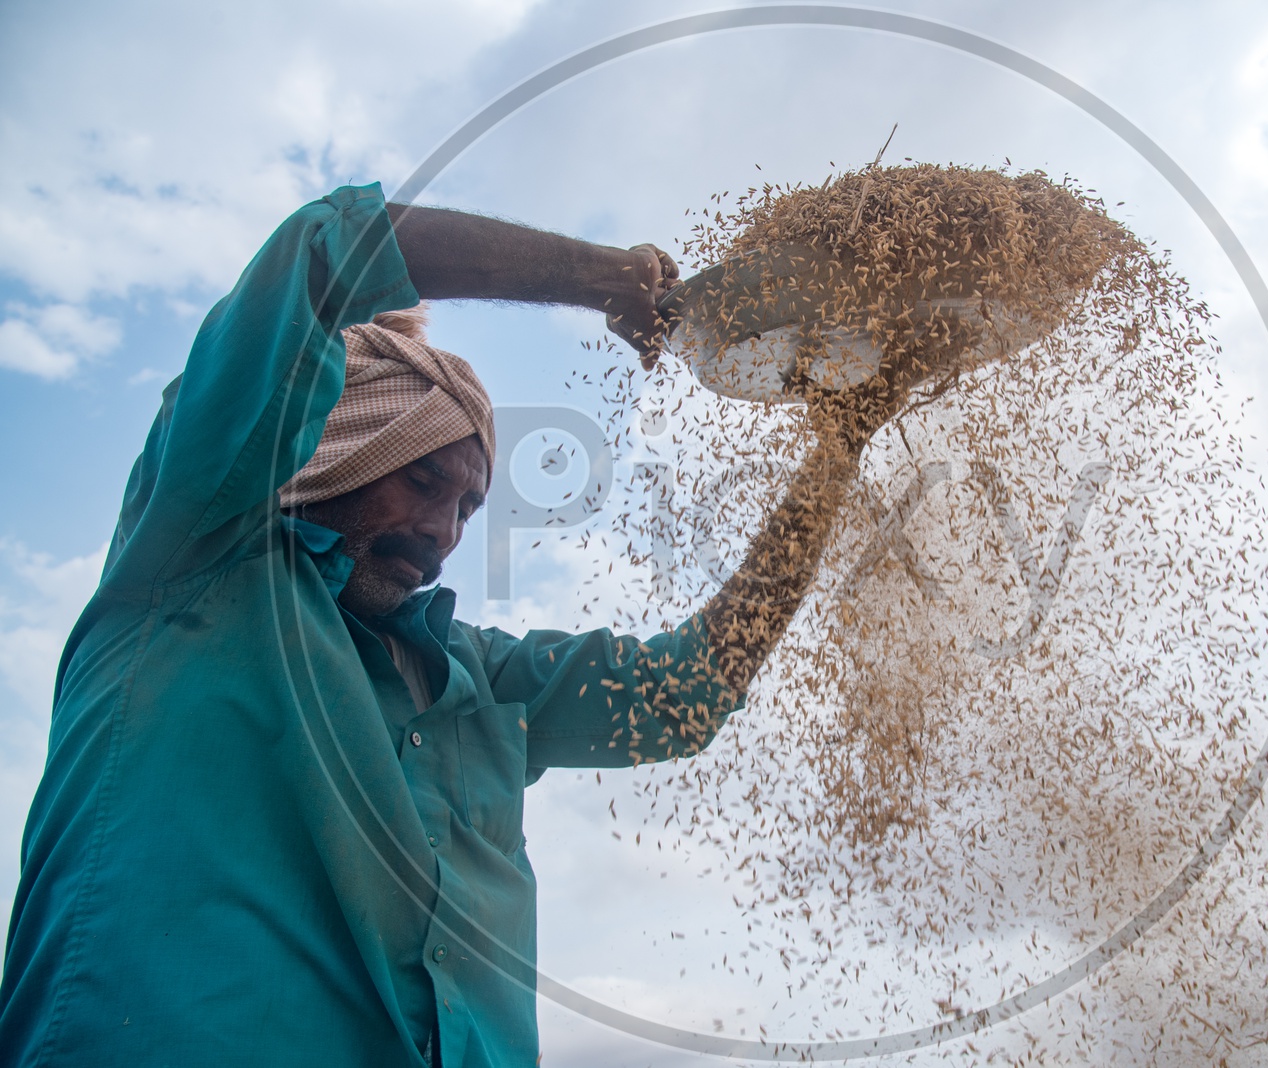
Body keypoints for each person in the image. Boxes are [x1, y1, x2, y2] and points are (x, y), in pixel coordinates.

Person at [0, 184, 900, 1066]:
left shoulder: (479, 681)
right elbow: (324, 249)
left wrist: (841, 444)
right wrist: (609, 280)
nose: (444, 530)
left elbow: (686, 692)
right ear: (339, 452)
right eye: (423, 481)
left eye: (469, 505)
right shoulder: (196, 561)